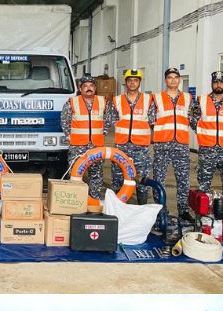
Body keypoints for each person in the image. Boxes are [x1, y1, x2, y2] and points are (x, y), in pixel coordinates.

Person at [189, 71, 223, 209]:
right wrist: (202, 132)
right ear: (212, 83)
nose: (219, 85)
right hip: (207, 148)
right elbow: (193, 119)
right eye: (216, 82)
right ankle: (204, 213)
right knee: (204, 184)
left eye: (222, 82)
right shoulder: (201, 101)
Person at [61, 74, 110, 201]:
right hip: (77, 147)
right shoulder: (72, 102)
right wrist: (69, 137)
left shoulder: (103, 101)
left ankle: (94, 201)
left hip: (96, 146)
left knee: (96, 175)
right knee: (75, 174)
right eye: (85, 86)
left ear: (95, 87)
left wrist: (103, 132)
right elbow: (65, 121)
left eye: (91, 85)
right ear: (80, 88)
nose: (89, 88)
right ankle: (75, 201)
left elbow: (108, 120)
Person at [152, 68, 193, 220]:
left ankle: (183, 210)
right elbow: (150, 119)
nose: (173, 80)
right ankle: (160, 209)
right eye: (170, 77)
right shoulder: (156, 98)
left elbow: (193, 118)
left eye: (176, 77)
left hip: (181, 144)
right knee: (159, 178)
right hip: (162, 144)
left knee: (183, 179)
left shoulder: (188, 98)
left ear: (180, 79)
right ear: (165, 80)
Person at [111, 69, 155, 204]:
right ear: (126, 83)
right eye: (130, 80)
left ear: (139, 82)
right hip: (121, 146)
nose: (132, 83)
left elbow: (153, 120)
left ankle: (142, 208)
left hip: (141, 148)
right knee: (118, 179)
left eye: (135, 80)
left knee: (142, 181)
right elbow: (112, 119)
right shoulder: (117, 100)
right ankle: (119, 209)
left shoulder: (148, 100)